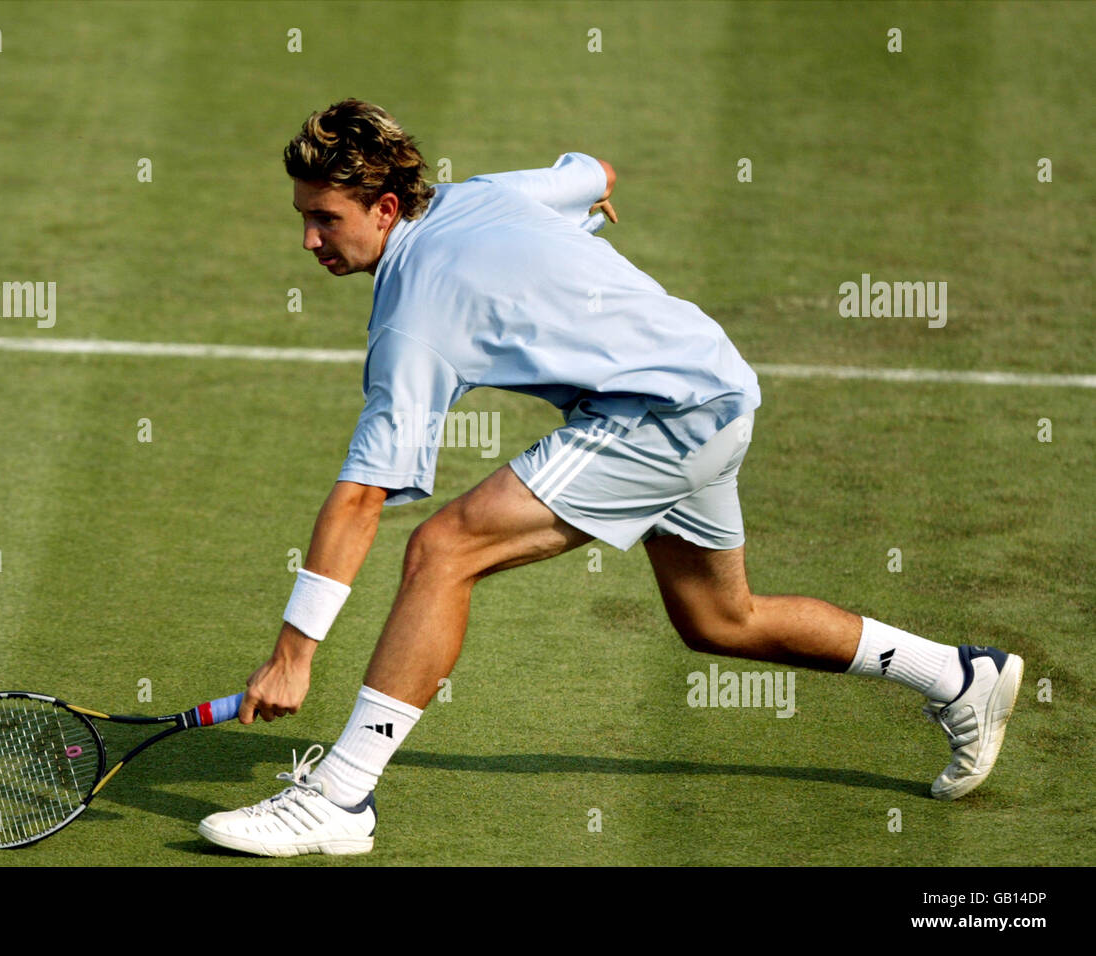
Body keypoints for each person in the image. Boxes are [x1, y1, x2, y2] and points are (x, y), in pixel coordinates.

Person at [197, 99, 1024, 857]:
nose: (309, 240)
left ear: (384, 208)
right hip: (715, 383)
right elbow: (593, 173)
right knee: (719, 619)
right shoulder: (477, 194)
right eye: (303, 217)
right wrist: (577, 217)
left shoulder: (414, 316)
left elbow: (361, 498)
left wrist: (293, 654)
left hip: (660, 411)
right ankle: (960, 677)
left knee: (444, 551)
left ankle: (340, 800)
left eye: (323, 218)